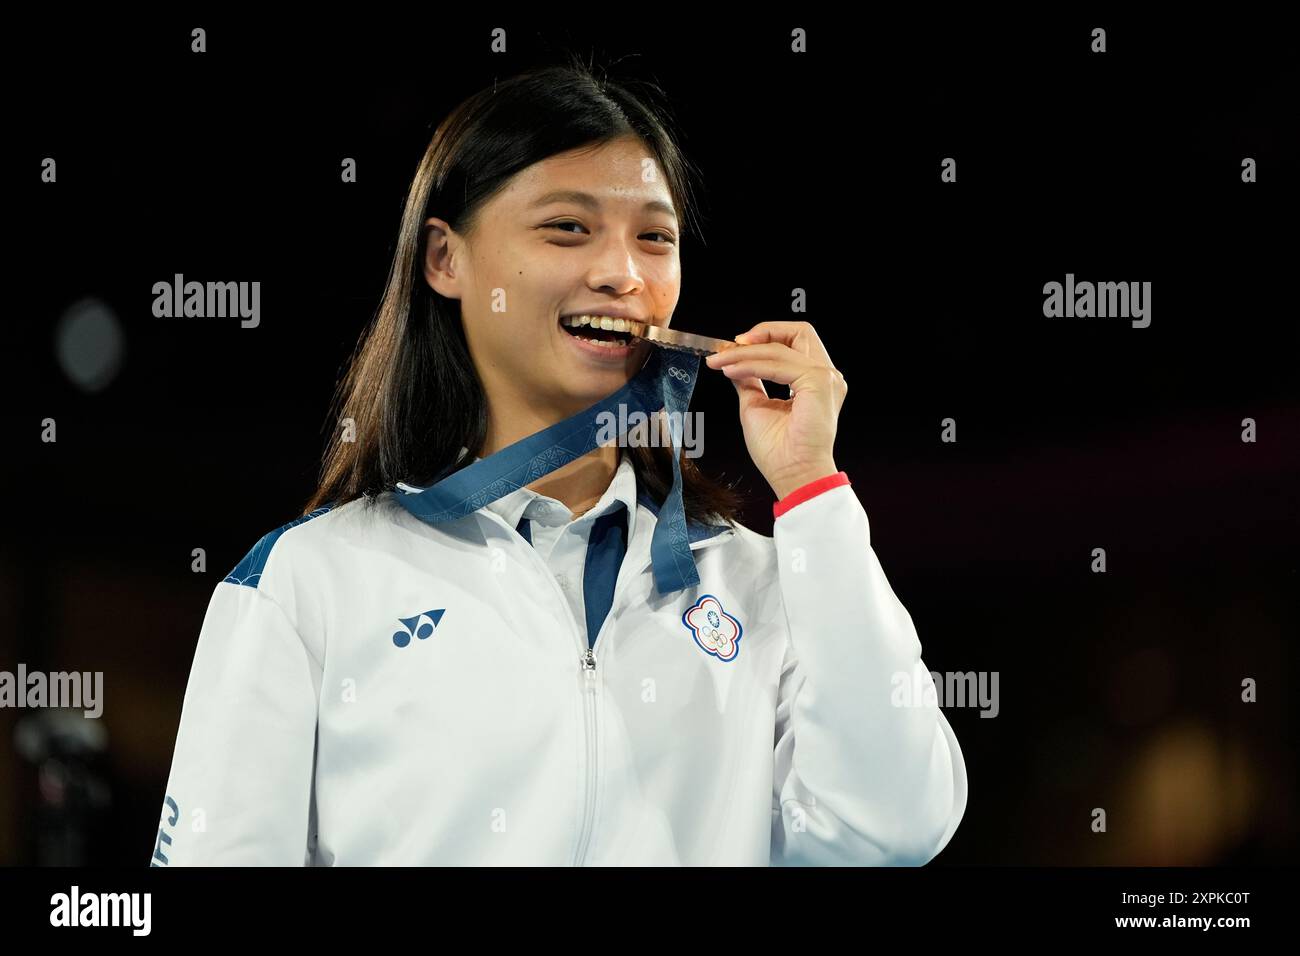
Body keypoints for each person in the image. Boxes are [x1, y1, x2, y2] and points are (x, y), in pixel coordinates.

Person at [152, 59, 967, 866]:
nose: (622, 274)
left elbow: (895, 826)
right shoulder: (311, 582)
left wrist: (812, 490)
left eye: (654, 238)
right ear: (445, 260)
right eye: (568, 228)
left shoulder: (764, 586)